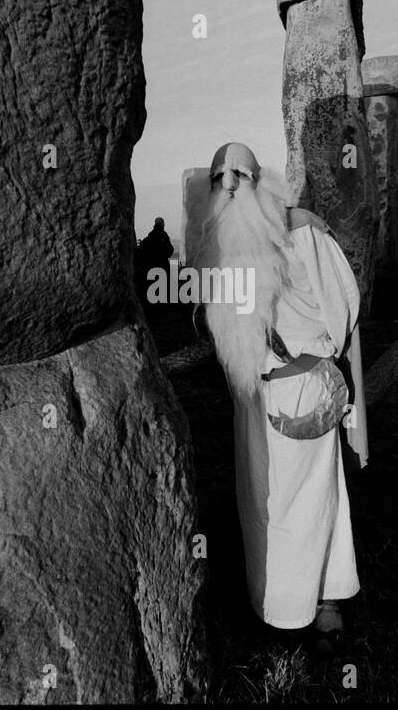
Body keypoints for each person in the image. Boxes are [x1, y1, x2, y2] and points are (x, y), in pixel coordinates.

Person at [193, 142, 367, 655]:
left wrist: (314, 358)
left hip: (302, 386)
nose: (229, 186)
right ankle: (273, 601)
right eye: (218, 176)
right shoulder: (221, 243)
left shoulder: (304, 230)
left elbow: (343, 305)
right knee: (262, 499)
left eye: (239, 175)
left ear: (259, 179)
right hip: (255, 396)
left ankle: (321, 603)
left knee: (309, 499)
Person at [134, 217, 174, 302]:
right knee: (163, 295)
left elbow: (141, 251)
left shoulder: (149, 237)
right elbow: (170, 251)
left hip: (150, 268)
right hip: (163, 268)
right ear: (162, 225)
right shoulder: (164, 236)